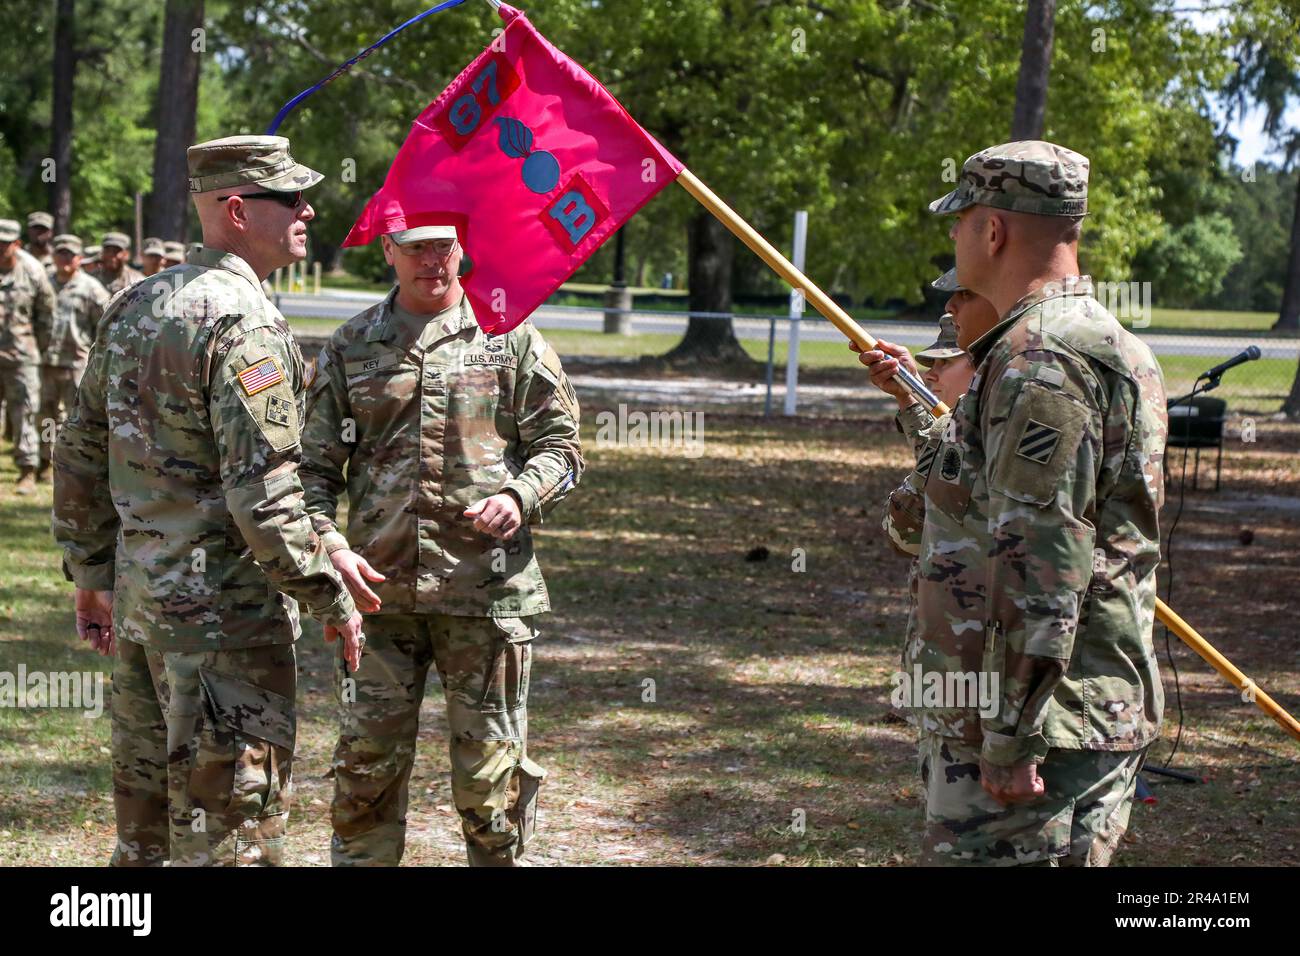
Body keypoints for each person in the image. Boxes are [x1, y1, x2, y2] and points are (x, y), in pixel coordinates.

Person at [52, 134, 365, 867]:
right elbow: (265, 497)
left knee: (147, 841)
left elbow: (80, 453)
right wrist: (330, 593)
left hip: (144, 615)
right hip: (227, 628)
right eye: (289, 198)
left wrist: (92, 575)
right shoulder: (243, 323)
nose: (307, 209)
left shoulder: (137, 301)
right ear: (235, 209)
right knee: (230, 841)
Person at [865, 141, 1167, 866]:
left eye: (960, 219)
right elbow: (981, 497)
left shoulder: (1041, 362)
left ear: (992, 230)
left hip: (1043, 732)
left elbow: (1042, 560)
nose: (954, 236)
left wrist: (1010, 733)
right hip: (1059, 712)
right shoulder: (1083, 341)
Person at [299, 223, 585, 866]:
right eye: (415, 246)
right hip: (378, 598)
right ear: (388, 252)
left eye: (444, 245)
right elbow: (312, 471)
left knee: (491, 784)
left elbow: (563, 451)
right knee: (366, 773)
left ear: (464, 249)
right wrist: (329, 549)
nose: (432, 259)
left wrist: (519, 497)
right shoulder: (351, 345)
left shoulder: (510, 338)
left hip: (485, 596)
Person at [38, 234, 110, 482]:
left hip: (77, 363)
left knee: (76, 417)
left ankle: (75, 464)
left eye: (70, 254)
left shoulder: (91, 288)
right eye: (60, 253)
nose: (64, 259)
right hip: (46, 361)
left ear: (79, 258)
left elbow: (105, 326)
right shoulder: (44, 283)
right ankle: (45, 461)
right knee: (45, 415)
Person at [0, 217, 55, 495]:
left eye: (4, 244)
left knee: (25, 412)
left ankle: (27, 471)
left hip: (21, 355)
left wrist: (38, 349)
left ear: (16, 244)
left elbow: (46, 314)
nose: (0, 248)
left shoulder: (32, 270)